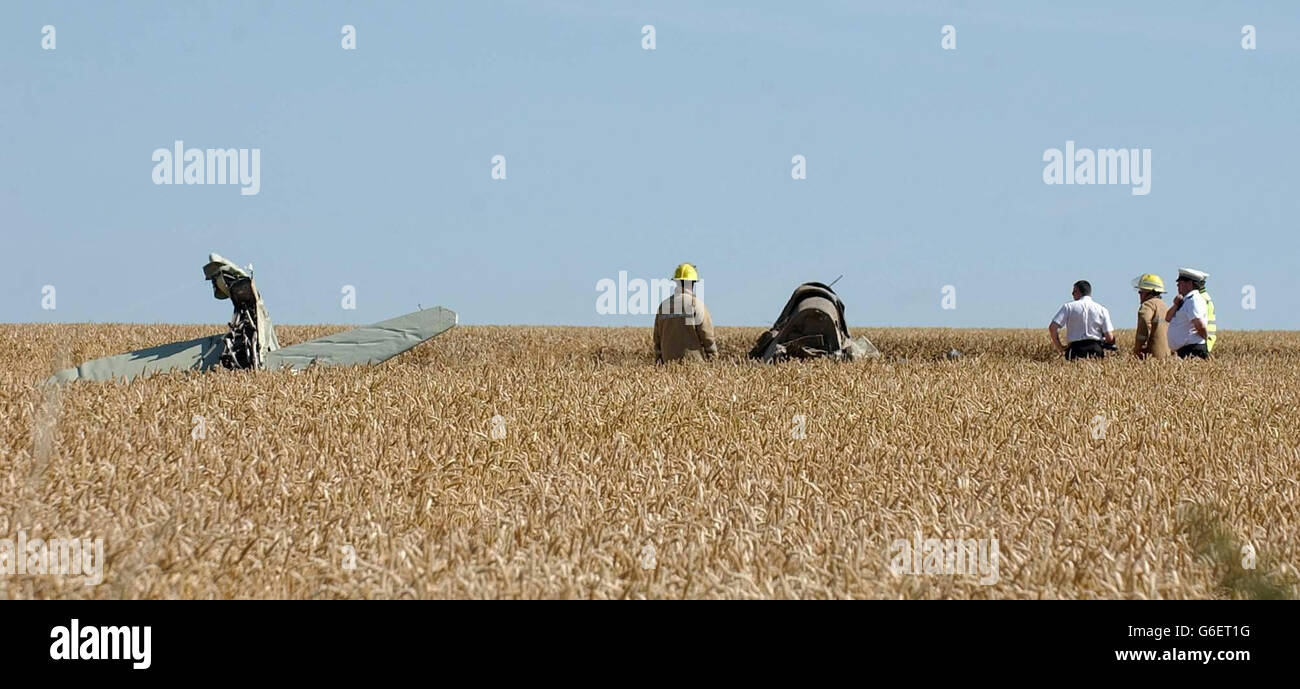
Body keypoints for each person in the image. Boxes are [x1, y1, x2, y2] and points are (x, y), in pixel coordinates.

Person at [653, 263, 718, 363]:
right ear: (693, 283)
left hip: (667, 367)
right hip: (694, 366)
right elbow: (707, 336)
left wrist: (659, 362)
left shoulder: (663, 306)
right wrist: (713, 359)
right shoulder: (696, 304)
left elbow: (657, 339)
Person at [1049, 280, 1115, 360]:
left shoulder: (1068, 307)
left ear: (1078, 292)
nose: (1072, 294)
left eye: (1073, 292)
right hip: (1095, 350)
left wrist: (1060, 347)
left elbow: (1052, 328)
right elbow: (1109, 337)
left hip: (1074, 350)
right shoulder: (1102, 309)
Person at [1165, 269, 1210, 359]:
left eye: (1180, 283)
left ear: (1189, 284)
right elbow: (1167, 318)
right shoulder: (1185, 300)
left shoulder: (1194, 300)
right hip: (1185, 350)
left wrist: (1205, 338)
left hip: (1193, 349)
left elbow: (1199, 324)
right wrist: (1175, 305)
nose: (1177, 286)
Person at [1131, 273, 1171, 359]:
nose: (1139, 294)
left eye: (1141, 291)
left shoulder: (1147, 305)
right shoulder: (1165, 306)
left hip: (1151, 354)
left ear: (1150, 292)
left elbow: (1144, 321)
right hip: (1167, 355)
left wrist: (1139, 348)